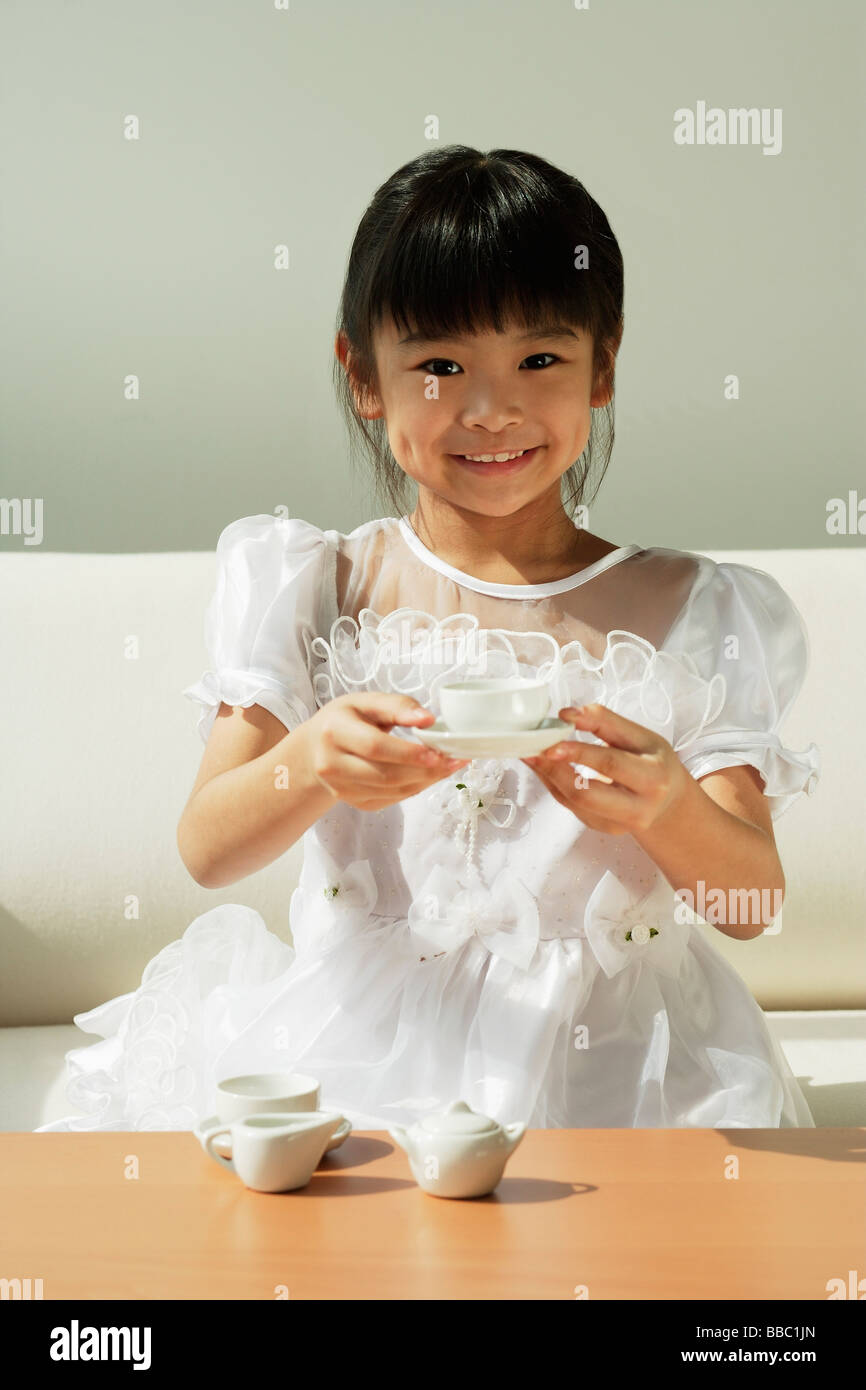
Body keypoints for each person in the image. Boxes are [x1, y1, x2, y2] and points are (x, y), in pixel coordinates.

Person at [36, 145, 820, 1134]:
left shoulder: (692, 606)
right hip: (362, 1057)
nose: (489, 410)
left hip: (625, 1070)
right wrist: (314, 759)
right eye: (439, 365)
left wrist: (665, 804)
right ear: (363, 375)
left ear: (601, 367)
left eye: (539, 359)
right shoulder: (318, 585)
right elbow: (207, 847)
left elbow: (750, 907)